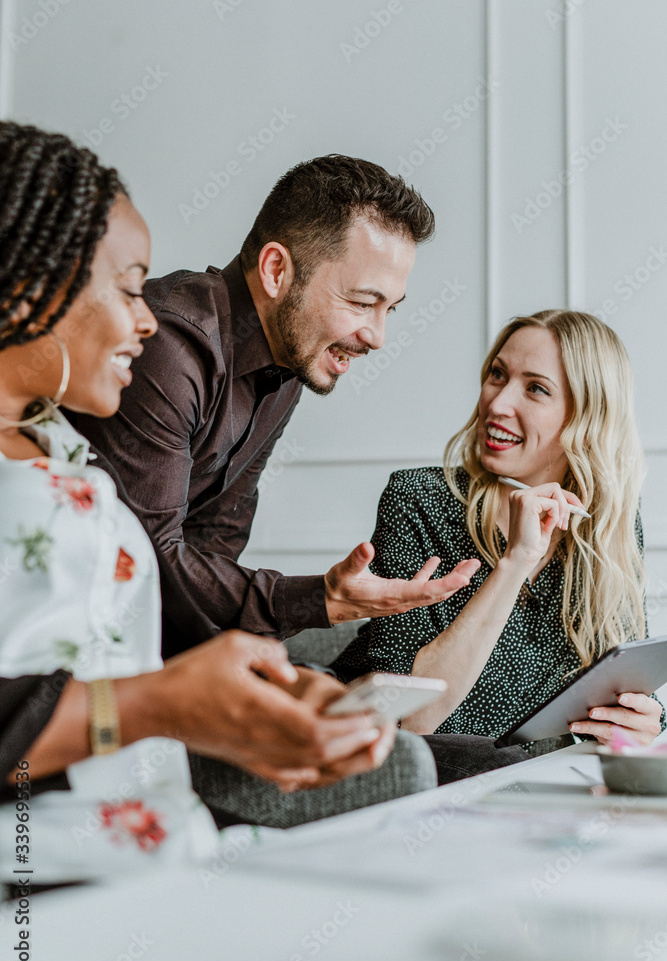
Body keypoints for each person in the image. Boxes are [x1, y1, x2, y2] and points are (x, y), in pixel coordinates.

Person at [0, 123, 444, 886]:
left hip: (131, 808)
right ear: (31, 286)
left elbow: (190, 570)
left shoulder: (63, 450)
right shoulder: (173, 348)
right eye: (128, 286)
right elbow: (167, 578)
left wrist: (246, 679)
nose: (145, 316)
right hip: (54, 837)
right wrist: (170, 700)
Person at [71, 155, 478, 644]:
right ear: (276, 270)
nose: (377, 337)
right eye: (362, 302)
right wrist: (317, 600)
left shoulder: (288, 362)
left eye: (389, 308)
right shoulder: (168, 346)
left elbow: (217, 538)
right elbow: (144, 554)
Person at [333, 310, 665, 749]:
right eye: (497, 374)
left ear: (586, 416)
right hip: (403, 766)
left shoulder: (606, 524)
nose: (497, 403)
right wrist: (515, 562)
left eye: (536, 388)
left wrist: (650, 721)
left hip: (537, 786)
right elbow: (410, 719)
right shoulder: (419, 499)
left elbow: (620, 686)